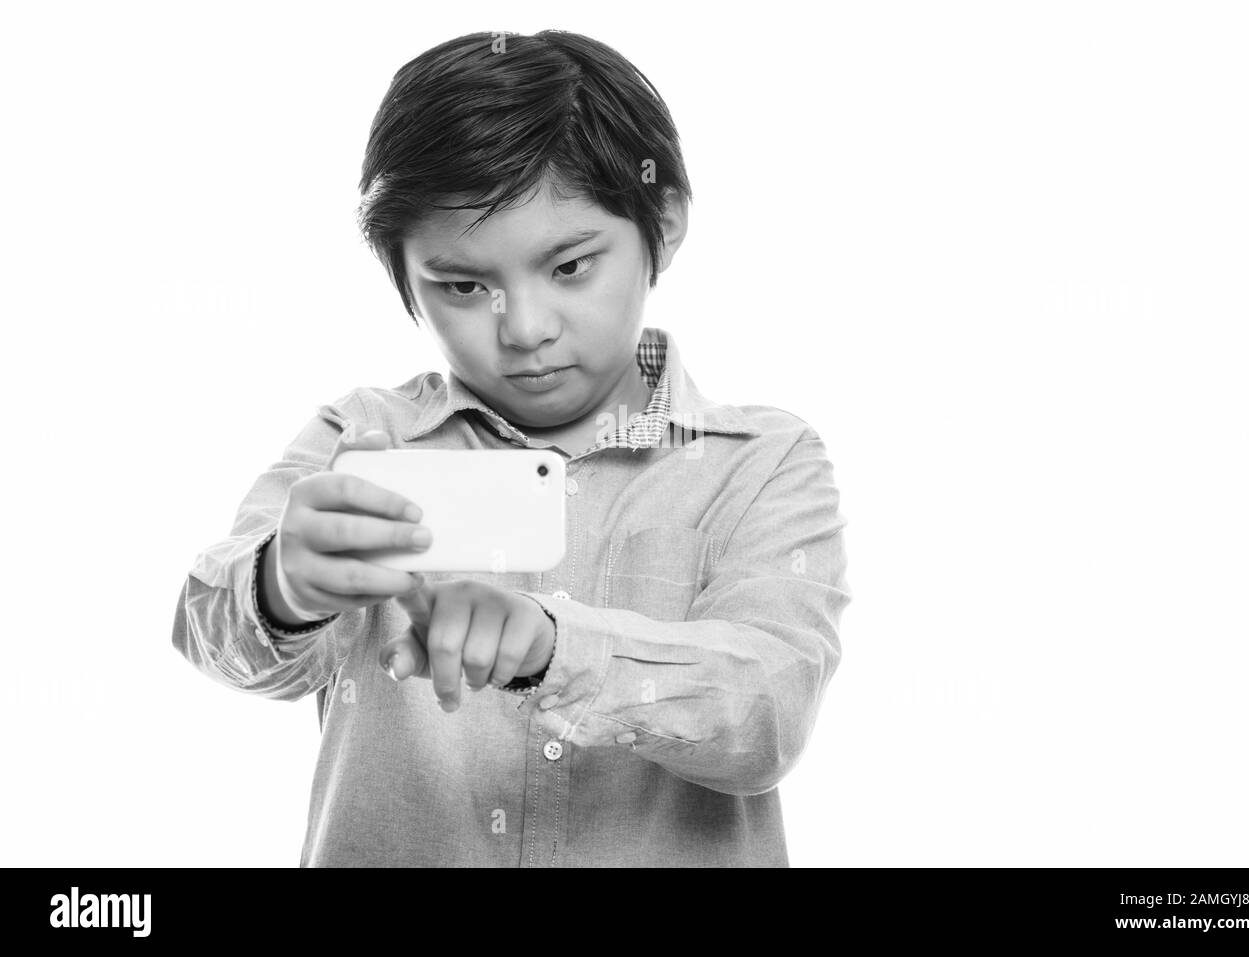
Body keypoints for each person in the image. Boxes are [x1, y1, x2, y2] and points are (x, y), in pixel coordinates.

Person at [172, 29, 852, 867]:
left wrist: (554, 646)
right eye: (463, 286)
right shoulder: (363, 440)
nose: (525, 330)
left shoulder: (763, 461)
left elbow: (767, 713)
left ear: (664, 223)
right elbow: (209, 628)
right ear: (402, 280)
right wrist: (280, 584)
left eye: (569, 267)